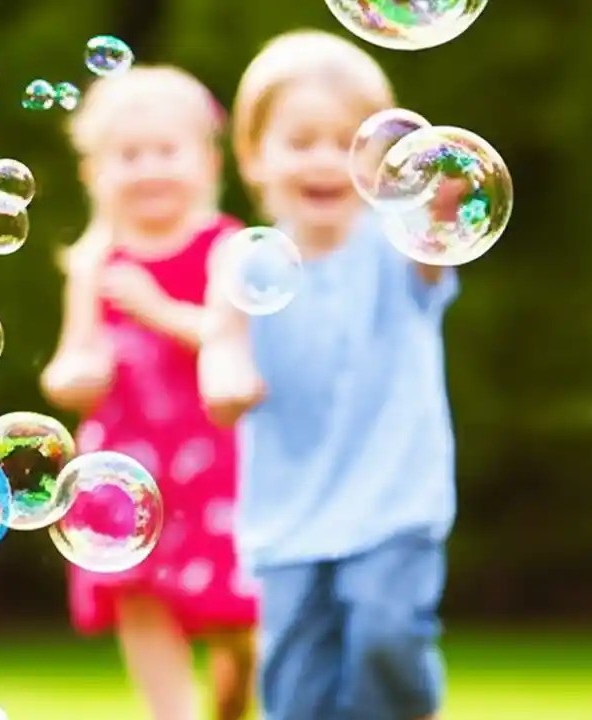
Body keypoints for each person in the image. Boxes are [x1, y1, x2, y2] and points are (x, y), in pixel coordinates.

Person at [200, 29, 459, 720]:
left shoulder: (398, 245)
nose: (326, 159)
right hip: (289, 513)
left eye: (349, 143)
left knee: (386, 637)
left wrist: (437, 205)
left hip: (394, 499)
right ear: (254, 158)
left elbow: (435, 257)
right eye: (302, 139)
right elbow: (220, 341)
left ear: (385, 165)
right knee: (294, 683)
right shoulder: (241, 260)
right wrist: (224, 370)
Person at [41, 66, 258, 720]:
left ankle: (234, 686)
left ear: (207, 161)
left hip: (213, 457)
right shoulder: (93, 262)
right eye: (128, 155)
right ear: (94, 173)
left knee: (233, 609)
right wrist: (77, 376)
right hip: (125, 463)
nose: (148, 169)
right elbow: (67, 367)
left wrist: (155, 307)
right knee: (138, 594)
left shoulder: (226, 246)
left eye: (167, 151)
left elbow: (229, 341)